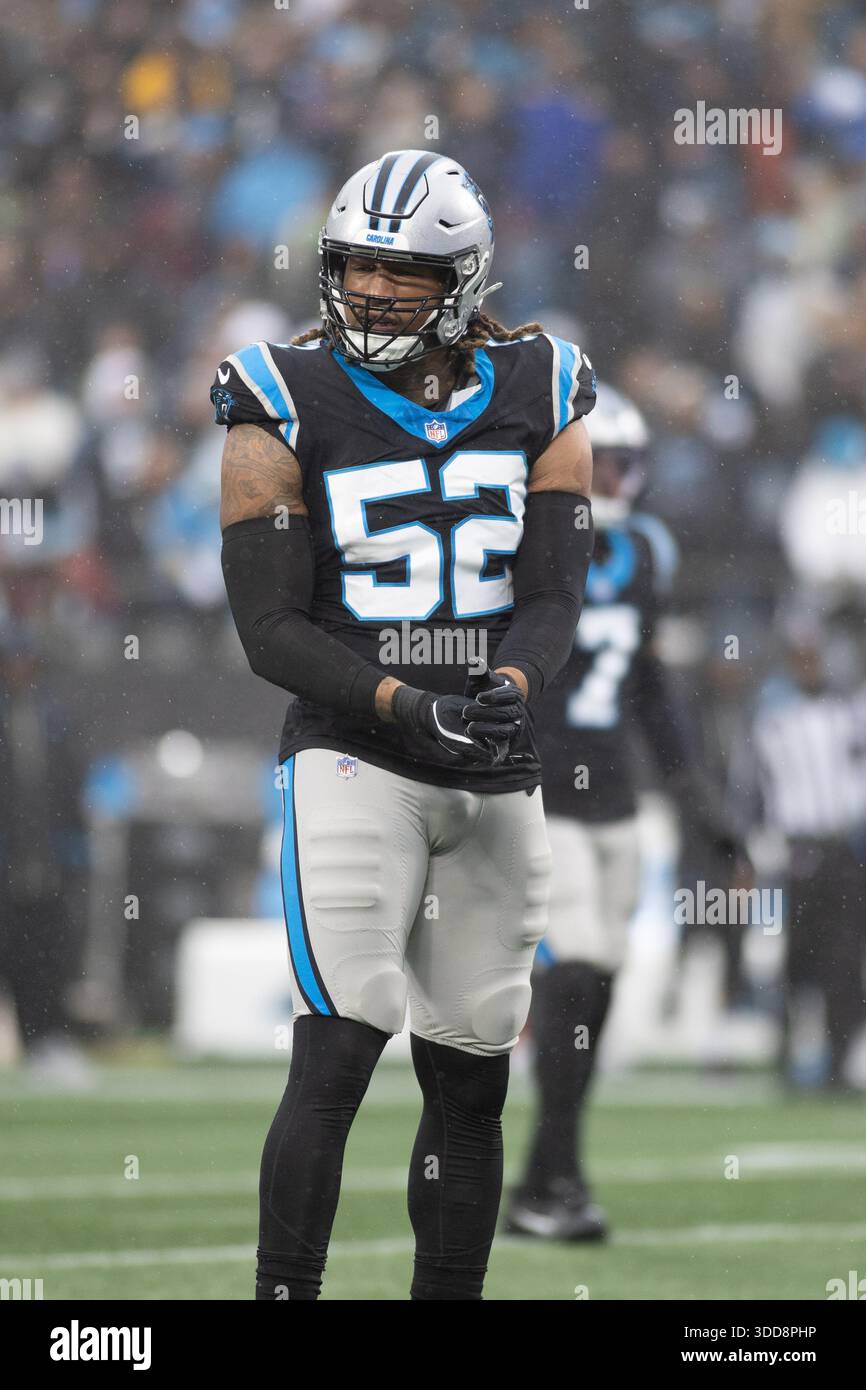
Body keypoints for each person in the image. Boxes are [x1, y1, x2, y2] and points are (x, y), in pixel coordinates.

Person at [212, 150, 597, 1300]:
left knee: (472, 1072)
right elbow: (267, 626)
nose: (373, 290)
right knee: (339, 1040)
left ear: (464, 276)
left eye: (402, 270)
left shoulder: (547, 381)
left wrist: (510, 691)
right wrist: (401, 701)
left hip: (491, 761)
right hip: (354, 751)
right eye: (357, 266)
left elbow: (550, 596)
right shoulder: (274, 389)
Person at [505, 384, 737, 1242]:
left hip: (614, 795)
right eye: (601, 463)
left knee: (598, 980)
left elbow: (651, 690)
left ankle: (547, 1174)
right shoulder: (524, 545)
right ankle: (547, 1178)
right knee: (572, 974)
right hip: (543, 790)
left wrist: (697, 794)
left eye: (625, 466)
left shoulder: (643, 554)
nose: (613, 482)